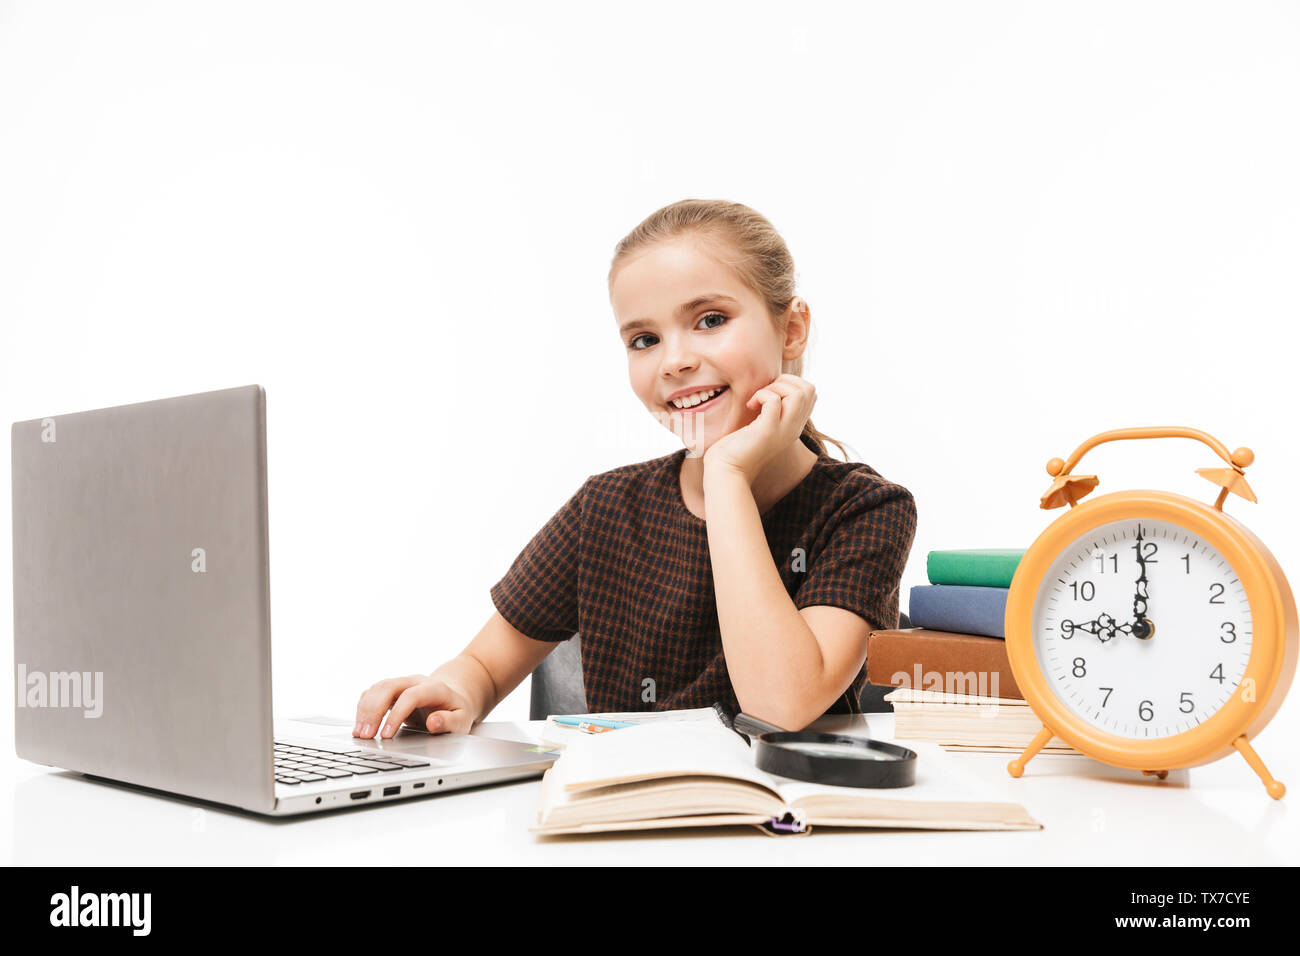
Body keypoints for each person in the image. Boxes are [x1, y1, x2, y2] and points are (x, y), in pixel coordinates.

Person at [353, 198, 917, 738]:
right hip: (624, 821)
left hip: (783, 823)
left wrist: (726, 476)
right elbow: (483, 663)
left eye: (710, 319)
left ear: (791, 329)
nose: (675, 361)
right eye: (644, 339)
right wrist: (455, 689)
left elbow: (781, 705)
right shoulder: (606, 507)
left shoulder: (864, 510)